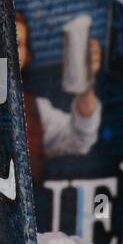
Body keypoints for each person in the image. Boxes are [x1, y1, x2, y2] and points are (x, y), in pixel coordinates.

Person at [15, 12, 102, 184]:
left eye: (16, 44)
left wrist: (85, 88)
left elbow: (79, 139)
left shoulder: (35, 111)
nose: (6, 52)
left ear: (26, 56)